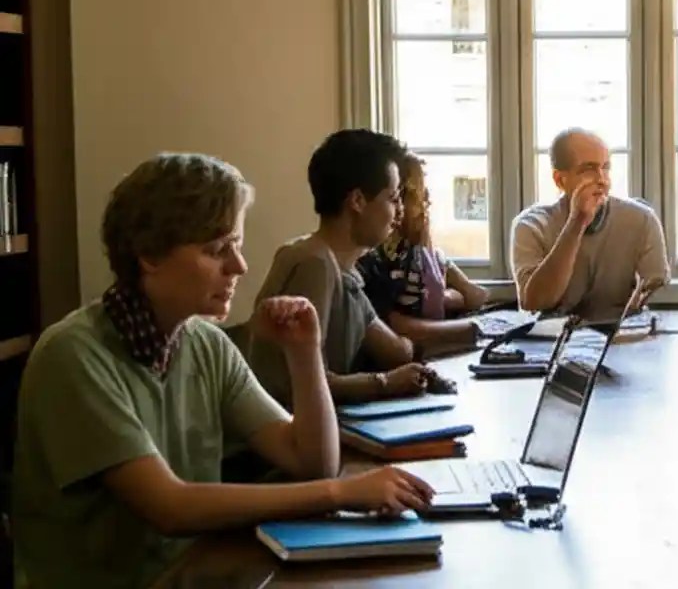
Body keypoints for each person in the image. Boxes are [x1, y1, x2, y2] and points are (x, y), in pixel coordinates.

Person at [11, 154, 435, 589]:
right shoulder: (74, 355)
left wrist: (305, 354)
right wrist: (343, 493)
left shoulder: (203, 341)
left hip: (190, 573)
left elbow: (313, 461)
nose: (239, 266)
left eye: (236, 245)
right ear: (149, 254)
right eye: (216, 250)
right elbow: (171, 507)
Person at [247, 129, 451, 408]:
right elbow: (303, 385)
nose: (400, 212)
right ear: (356, 201)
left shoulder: (345, 270)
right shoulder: (313, 264)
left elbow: (398, 352)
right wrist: (384, 383)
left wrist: (481, 330)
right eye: (392, 199)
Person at [511, 127, 670, 321]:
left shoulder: (641, 219)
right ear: (560, 180)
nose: (602, 179)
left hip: (620, 338)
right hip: (549, 339)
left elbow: (657, 292)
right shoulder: (531, 226)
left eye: (605, 168)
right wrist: (576, 222)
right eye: (588, 169)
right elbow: (534, 302)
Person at [357, 153, 488, 356]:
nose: (426, 201)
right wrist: (467, 328)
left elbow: (475, 295)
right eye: (417, 194)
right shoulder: (379, 257)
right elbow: (394, 324)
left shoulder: (422, 252)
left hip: (427, 350)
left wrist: (441, 296)